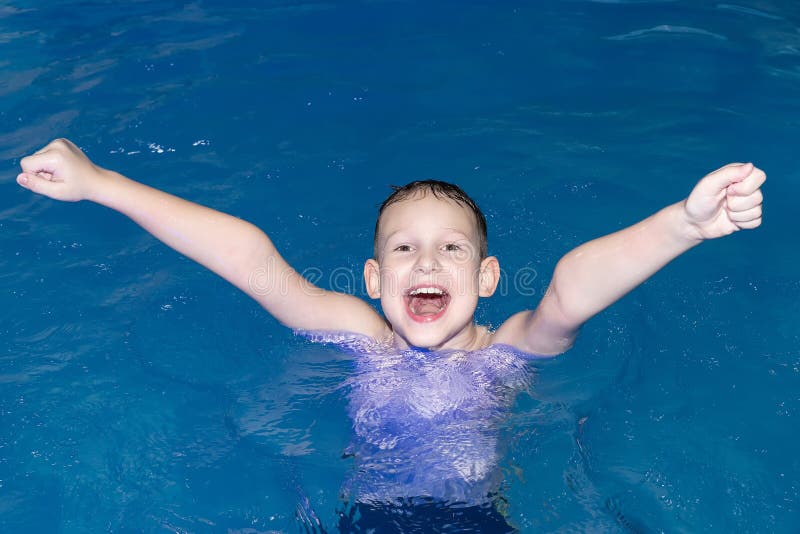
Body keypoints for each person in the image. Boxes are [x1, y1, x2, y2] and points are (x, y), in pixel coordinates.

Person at [16, 138, 765, 531]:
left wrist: (684, 226)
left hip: (476, 524)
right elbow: (251, 260)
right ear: (373, 280)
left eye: (451, 248)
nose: (427, 261)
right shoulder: (360, 337)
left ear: (489, 277)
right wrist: (101, 183)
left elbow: (573, 291)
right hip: (367, 522)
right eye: (403, 249)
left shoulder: (505, 352)